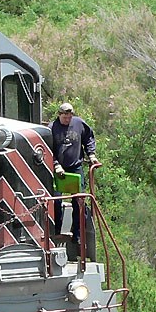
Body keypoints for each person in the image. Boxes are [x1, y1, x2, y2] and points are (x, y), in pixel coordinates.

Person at [49, 102, 99, 252]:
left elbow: (89, 138)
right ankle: (56, 231)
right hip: (58, 170)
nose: (67, 118)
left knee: (79, 200)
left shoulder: (79, 124)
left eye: (69, 116)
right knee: (55, 201)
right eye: (64, 116)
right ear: (59, 115)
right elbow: (46, 148)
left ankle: (77, 235)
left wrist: (91, 155)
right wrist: (55, 164)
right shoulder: (52, 128)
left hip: (75, 167)